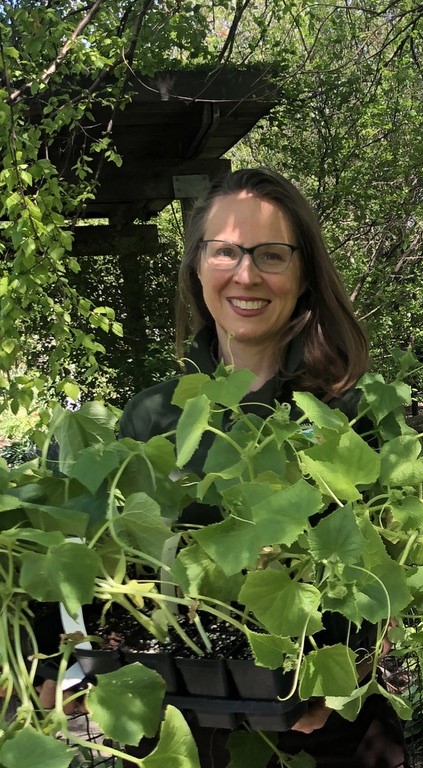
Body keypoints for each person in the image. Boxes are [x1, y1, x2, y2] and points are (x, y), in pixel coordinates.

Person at [119, 168, 407, 768]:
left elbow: (400, 561)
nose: (246, 274)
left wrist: (350, 664)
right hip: (185, 726)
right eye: (224, 251)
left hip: (334, 730)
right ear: (197, 268)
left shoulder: (352, 409)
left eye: (271, 255)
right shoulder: (151, 417)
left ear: (304, 277)